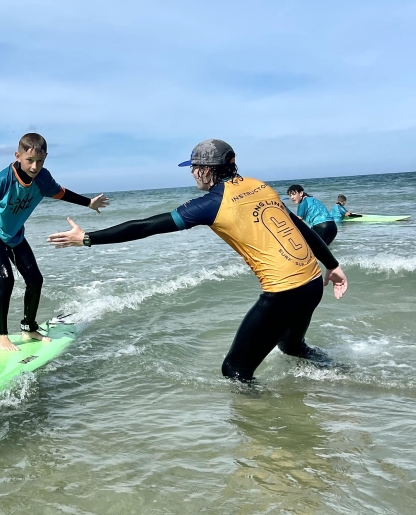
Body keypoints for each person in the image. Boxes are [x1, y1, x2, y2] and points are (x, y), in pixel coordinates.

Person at [48, 139, 348, 382]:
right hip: (310, 283)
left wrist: (87, 238)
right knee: (291, 347)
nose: (192, 173)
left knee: (234, 372)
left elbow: (146, 226)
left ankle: (272, 433)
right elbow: (301, 228)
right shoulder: (261, 185)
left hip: (284, 292)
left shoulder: (211, 203)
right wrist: (332, 266)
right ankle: (344, 377)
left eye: (194, 167)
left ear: (206, 170)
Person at [0, 132, 109, 351]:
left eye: (40, 161)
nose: (35, 166)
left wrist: (88, 203)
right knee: (6, 278)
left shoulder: (43, 179)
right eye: (30, 160)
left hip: (16, 235)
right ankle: (1, 336)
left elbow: (63, 193)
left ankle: (29, 328)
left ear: (45, 157)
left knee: (35, 279)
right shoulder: (4, 179)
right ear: (18, 156)